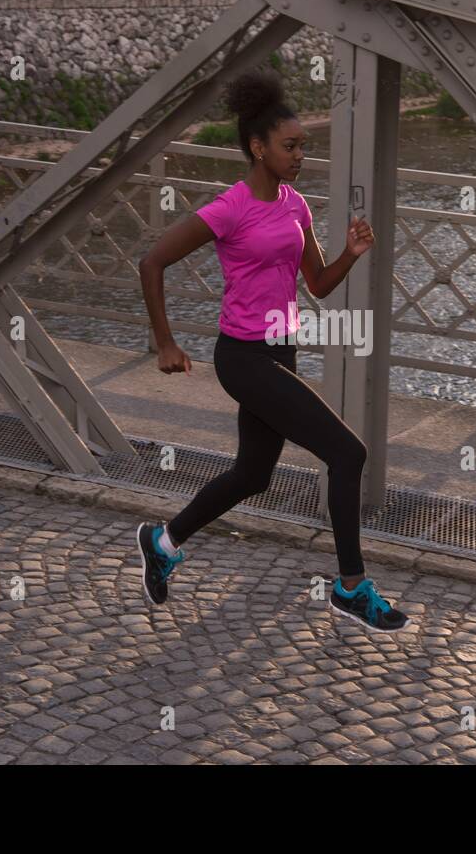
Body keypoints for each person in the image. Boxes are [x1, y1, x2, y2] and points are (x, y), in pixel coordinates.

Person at [134, 67, 411, 633]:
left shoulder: (297, 206)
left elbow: (318, 284)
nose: (300, 154)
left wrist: (352, 253)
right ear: (257, 148)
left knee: (254, 475)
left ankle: (163, 541)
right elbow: (152, 261)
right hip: (243, 357)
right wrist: (165, 341)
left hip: (281, 352)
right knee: (348, 454)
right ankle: (351, 588)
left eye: (303, 145)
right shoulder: (229, 208)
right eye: (290, 146)